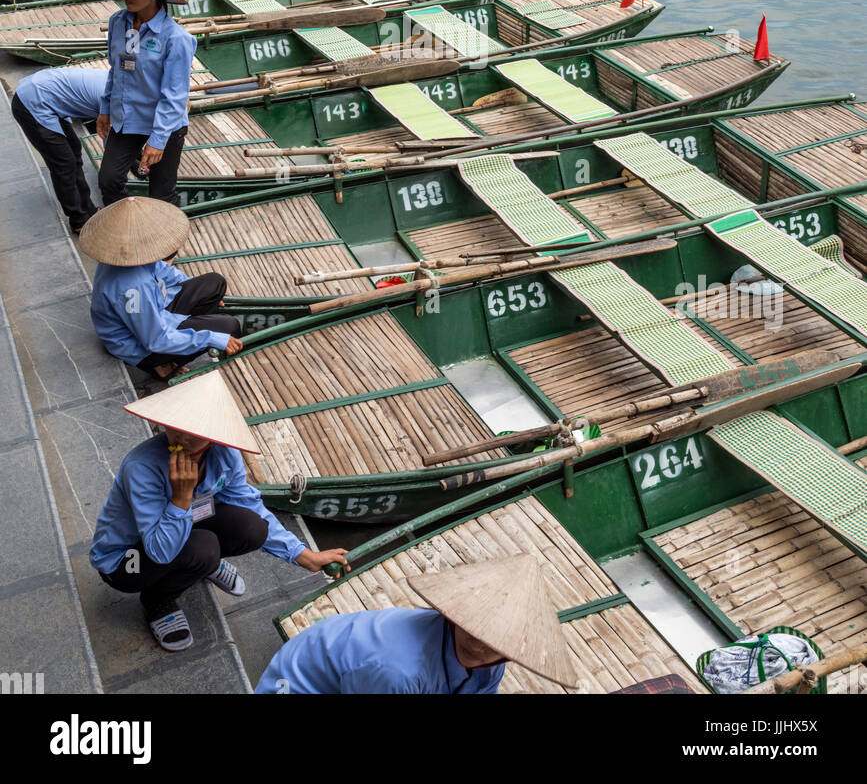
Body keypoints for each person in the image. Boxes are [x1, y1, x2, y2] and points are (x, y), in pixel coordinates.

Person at [90, 370, 349, 651]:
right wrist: (181, 496)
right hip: (126, 560)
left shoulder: (224, 455)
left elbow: (249, 505)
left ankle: (198, 564)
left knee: (252, 528)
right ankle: (158, 600)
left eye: (193, 433)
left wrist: (302, 554)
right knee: (204, 549)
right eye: (175, 426)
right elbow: (159, 550)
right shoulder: (141, 468)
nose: (179, 437)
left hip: (182, 529)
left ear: (213, 437)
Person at [255, 553, 577, 694]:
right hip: (294, 685)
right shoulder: (399, 673)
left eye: (497, 641)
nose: (481, 642)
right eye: (476, 624)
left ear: (510, 653)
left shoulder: (491, 667)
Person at [81, 196, 241, 379]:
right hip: (141, 344)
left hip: (158, 312)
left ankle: (188, 331)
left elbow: (164, 270)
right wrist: (212, 337)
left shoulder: (124, 254)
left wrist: (196, 290)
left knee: (214, 283)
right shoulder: (135, 288)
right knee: (229, 326)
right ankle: (159, 363)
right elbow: (155, 340)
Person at [92, 0, 195, 207]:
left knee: (161, 194)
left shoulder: (176, 39)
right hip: (125, 120)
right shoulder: (118, 22)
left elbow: (174, 96)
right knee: (109, 180)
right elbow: (115, 70)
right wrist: (105, 110)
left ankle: (165, 248)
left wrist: (158, 141)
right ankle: (128, 229)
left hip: (164, 126)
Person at [10, 65, 107, 233]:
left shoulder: (123, 85)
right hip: (32, 102)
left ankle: (88, 209)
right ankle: (78, 220)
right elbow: (111, 141)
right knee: (64, 163)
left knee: (75, 150)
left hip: (49, 95)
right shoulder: (118, 101)